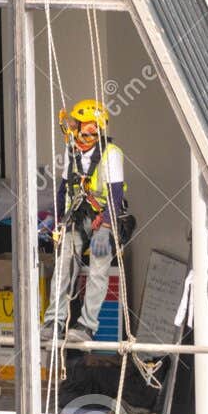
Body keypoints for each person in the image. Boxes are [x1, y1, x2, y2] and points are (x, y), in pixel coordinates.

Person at [43, 99, 133, 345]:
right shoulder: (72, 150)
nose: (71, 126)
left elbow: (115, 196)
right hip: (78, 216)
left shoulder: (110, 154)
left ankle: (87, 325)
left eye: (76, 122)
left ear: (91, 127)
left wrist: (105, 225)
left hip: (104, 219)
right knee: (63, 265)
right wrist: (59, 222)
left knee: (98, 267)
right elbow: (63, 190)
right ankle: (55, 321)